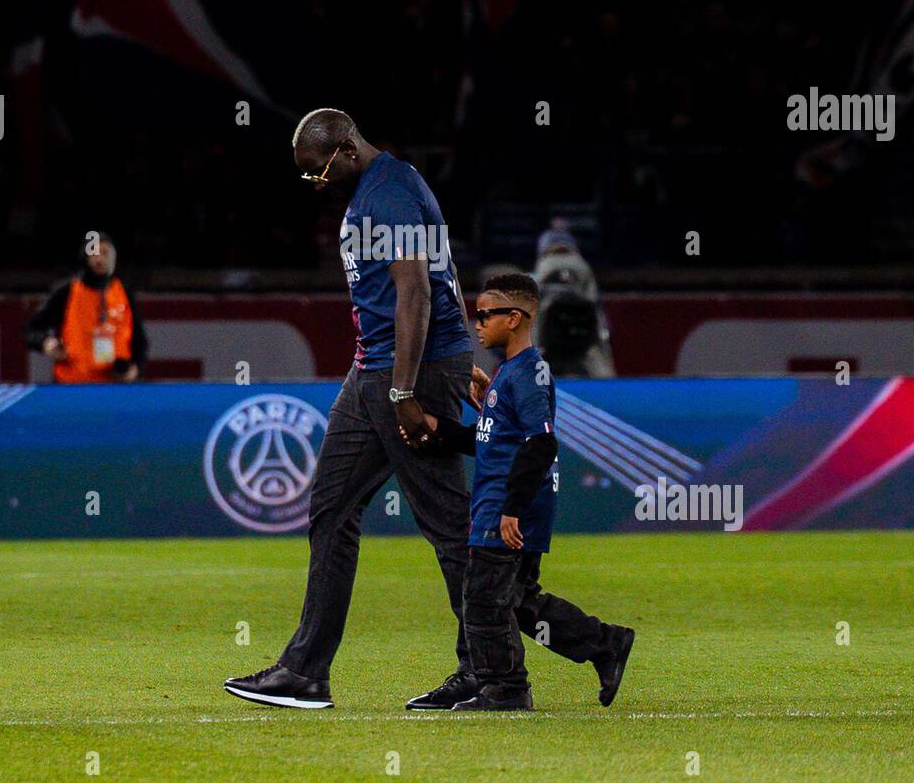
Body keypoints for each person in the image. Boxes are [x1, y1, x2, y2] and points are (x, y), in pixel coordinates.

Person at [225, 108, 488, 711]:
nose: (317, 186)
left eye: (319, 173)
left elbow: (416, 290)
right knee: (331, 510)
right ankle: (304, 672)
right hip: (381, 364)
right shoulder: (387, 185)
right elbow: (435, 282)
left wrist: (407, 391)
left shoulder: (387, 194)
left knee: (448, 522)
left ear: (345, 149)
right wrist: (450, 356)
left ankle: (490, 671)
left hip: (402, 373)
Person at [405, 272, 634, 711]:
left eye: (485, 315)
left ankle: (506, 690)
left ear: (513, 318)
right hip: (507, 504)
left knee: (484, 601)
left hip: (506, 509)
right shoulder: (510, 375)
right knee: (518, 600)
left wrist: (511, 510)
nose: (478, 323)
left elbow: (541, 443)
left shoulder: (529, 373)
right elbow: (489, 443)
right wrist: (440, 430)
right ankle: (606, 644)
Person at [26, 233, 148, 383]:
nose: (99, 259)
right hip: (73, 384)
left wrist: (135, 369)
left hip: (115, 385)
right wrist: (45, 343)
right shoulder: (68, 291)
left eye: (105, 253)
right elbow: (31, 329)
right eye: (94, 253)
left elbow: (139, 341)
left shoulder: (123, 292)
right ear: (86, 256)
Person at [533, 217, 615, 377]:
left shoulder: (543, 264)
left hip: (549, 339)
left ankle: (535, 359)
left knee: (536, 313)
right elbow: (594, 302)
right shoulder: (580, 264)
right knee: (598, 348)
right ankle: (606, 378)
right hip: (582, 340)